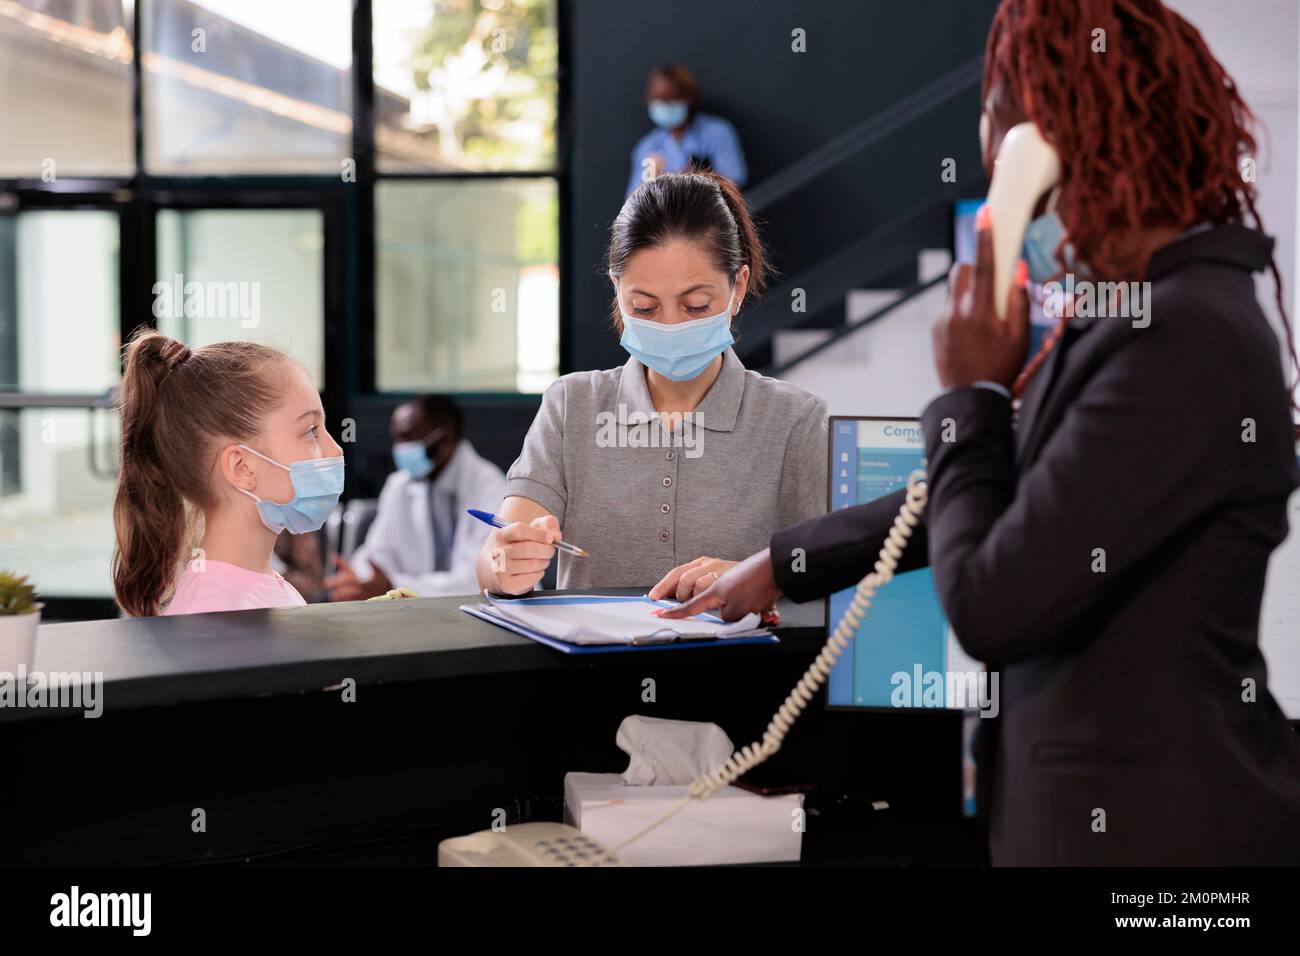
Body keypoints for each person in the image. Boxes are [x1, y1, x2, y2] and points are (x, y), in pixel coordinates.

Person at [661, 0, 1300, 866]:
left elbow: (998, 600)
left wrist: (973, 387)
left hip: (1158, 835)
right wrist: (782, 563)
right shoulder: (1136, 317)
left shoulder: (1184, 333)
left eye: (1001, 148)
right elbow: (1008, 494)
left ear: (1056, 147)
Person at [477, 170, 827, 596]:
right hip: (593, 663)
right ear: (617, 290)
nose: (671, 325)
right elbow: (496, 551)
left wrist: (757, 577)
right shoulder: (572, 404)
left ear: (738, 287)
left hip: (741, 662)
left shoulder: (795, 420)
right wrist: (504, 562)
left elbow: (829, 573)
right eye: (644, 307)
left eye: (696, 305)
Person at [112, 330, 345, 616]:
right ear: (242, 467)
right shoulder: (218, 612)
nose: (336, 450)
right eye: (311, 431)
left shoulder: (255, 590)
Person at [325, 395, 505, 600]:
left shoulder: (491, 487)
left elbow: (481, 578)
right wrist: (359, 581)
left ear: (445, 439)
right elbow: (377, 554)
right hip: (419, 613)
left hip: (486, 611)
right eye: (397, 439)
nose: (399, 449)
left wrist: (393, 587)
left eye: (408, 438)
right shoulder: (399, 485)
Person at [626, 64, 747, 198]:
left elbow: (733, 181)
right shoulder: (647, 148)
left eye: (669, 98)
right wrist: (653, 181)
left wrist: (693, 180)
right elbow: (634, 200)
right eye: (657, 99)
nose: (664, 106)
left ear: (687, 98)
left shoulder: (715, 132)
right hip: (665, 217)